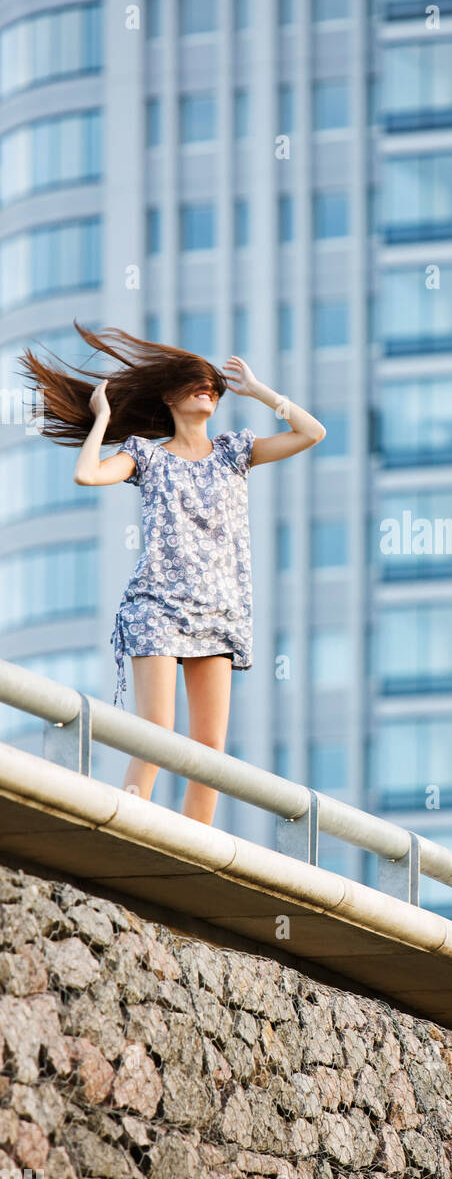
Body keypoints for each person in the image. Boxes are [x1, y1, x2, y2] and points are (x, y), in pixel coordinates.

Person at [18, 321, 326, 825]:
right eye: (195, 383)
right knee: (156, 733)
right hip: (157, 606)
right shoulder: (145, 455)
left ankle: (193, 851)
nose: (209, 389)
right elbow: (87, 473)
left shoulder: (234, 452)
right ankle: (126, 831)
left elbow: (312, 433)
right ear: (169, 397)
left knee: (210, 750)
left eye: (214, 386)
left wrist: (261, 391)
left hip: (218, 611)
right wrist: (101, 419)